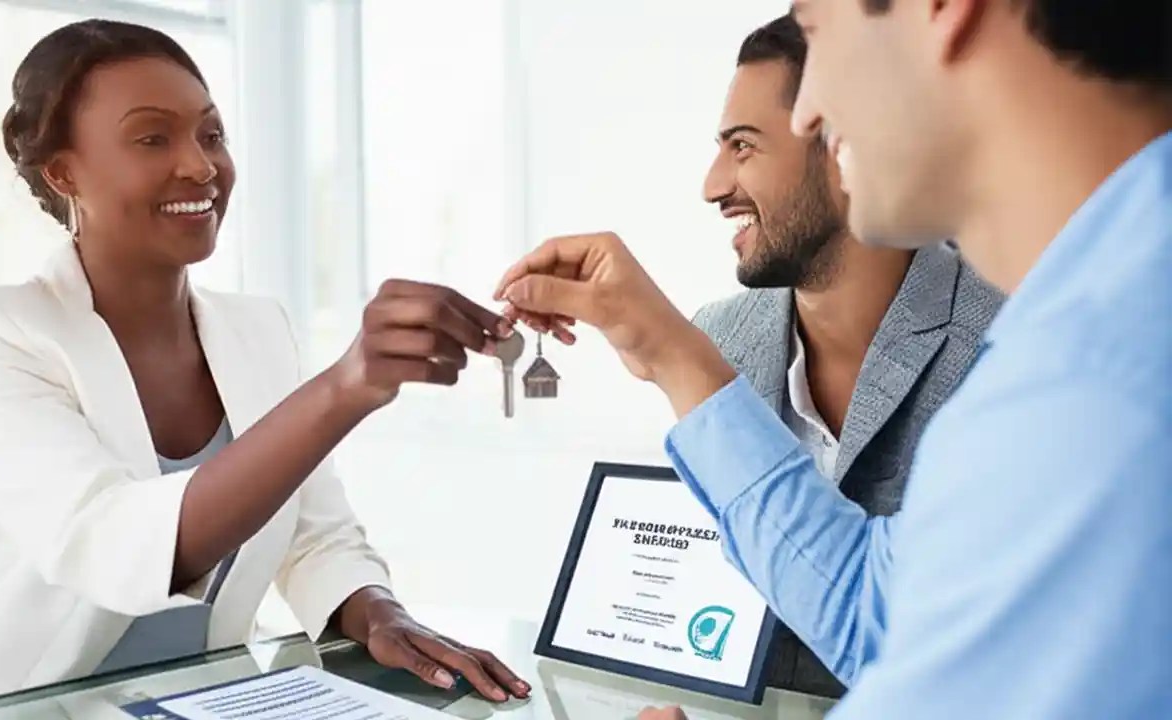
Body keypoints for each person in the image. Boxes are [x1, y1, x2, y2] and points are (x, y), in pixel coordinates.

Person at [497, 1, 1172, 718]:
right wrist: (673, 356)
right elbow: (883, 618)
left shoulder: (1098, 381)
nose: (814, 108)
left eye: (817, 32)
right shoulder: (1084, 325)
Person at [0, 20, 527, 715]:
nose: (200, 166)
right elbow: (112, 546)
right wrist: (346, 388)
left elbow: (314, 532)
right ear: (64, 172)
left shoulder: (257, 329)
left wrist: (376, 612)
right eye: (152, 138)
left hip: (196, 702)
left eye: (212, 134)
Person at [695, 16, 1000, 698]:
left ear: (843, 145)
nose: (713, 186)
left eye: (743, 148)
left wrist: (665, 355)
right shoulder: (719, 340)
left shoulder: (1007, 339)